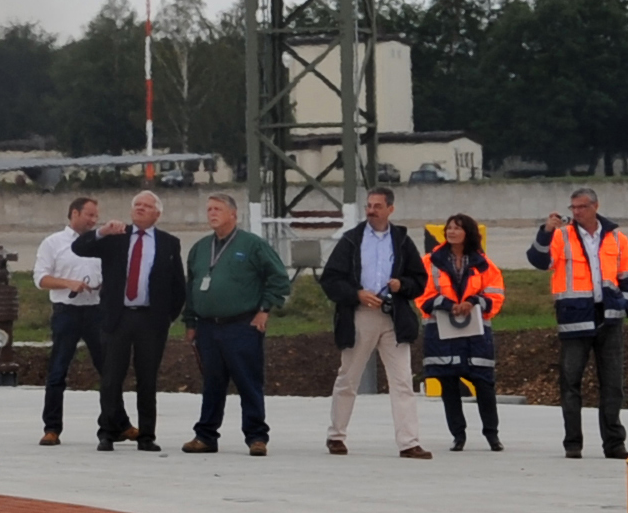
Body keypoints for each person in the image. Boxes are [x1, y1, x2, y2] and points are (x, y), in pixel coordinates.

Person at [319, 186, 432, 458]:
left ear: (390, 209)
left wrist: (400, 284)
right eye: (369, 205)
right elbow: (331, 279)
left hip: (393, 317)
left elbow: (419, 280)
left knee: (402, 380)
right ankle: (336, 435)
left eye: (377, 206)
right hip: (360, 315)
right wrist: (356, 294)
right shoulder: (351, 240)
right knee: (348, 377)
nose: (371, 210)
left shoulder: (402, 241)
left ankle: (409, 442)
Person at [526, 187, 628, 459]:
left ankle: (614, 444)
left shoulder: (616, 237)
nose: (576, 212)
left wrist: (626, 305)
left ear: (595, 206)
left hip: (609, 319)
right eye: (573, 207)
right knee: (570, 382)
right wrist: (545, 232)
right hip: (575, 319)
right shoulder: (561, 236)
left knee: (612, 384)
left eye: (581, 207)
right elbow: (538, 260)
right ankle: (573, 443)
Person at [73, 190, 186, 451]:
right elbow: (79, 247)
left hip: (150, 320)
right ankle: (108, 432)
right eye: (137, 205)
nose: (141, 209)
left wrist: (166, 317)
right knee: (111, 377)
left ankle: (146, 435)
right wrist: (102, 232)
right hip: (118, 317)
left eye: (147, 206)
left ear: (157, 213)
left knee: (147, 379)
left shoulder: (169, 243)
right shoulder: (117, 237)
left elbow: (178, 285)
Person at [180, 193, 292, 455]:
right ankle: (206, 435)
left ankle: (256, 437)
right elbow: (192, 287)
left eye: (218, 209)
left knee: (248, 380)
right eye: (209, 209)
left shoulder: (252, 245)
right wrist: (190, 321)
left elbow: (278, 278)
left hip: (241, 325)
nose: (212, 214)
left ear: (233, 214)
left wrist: (264, 310)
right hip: (208, 326)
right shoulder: (199, 248)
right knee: (212, 383)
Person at [421, 213, 505, 452]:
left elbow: (496, 294)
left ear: (467, 232)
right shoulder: (430, 261)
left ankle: (492, 434)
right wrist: (447, 305)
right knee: (448, 384)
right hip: (442, 331)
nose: (451, 232)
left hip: (475, 333)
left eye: (457, 228)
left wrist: (474, 301)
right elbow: (421, 293)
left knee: (484, 383)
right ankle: (458, 435)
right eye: (449, 228)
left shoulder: (484, 263)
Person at [32, 196, 105, 445]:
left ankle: (116, 422)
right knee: (58, 370)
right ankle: (52, 428)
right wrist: (68, 283)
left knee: (108, 370)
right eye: (90, 215)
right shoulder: (54, 243)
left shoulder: (100, 243)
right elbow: (40, 279)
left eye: (96, 216)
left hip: (96, 311)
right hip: (67, 311)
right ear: (74, 214)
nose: (94, 220)